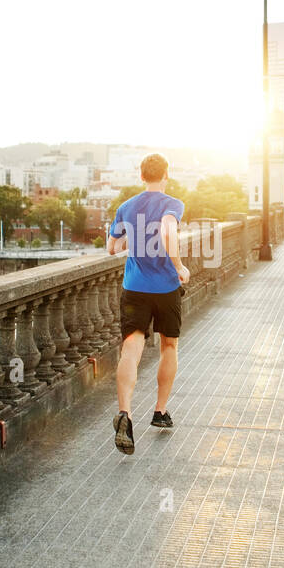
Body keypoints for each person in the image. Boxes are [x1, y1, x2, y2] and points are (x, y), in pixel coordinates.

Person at [107, 153, 190, 454]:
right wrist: (179, 266)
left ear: (141, 176)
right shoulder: (172, 204)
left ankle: (125, 414)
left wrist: (135, 237)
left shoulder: (126, 207)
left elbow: (112, 247)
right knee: (169, 347)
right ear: (166, 175)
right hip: (166, 288)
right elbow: (168, 230)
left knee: (131, 349)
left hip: (135, 289)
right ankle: (159, 412)